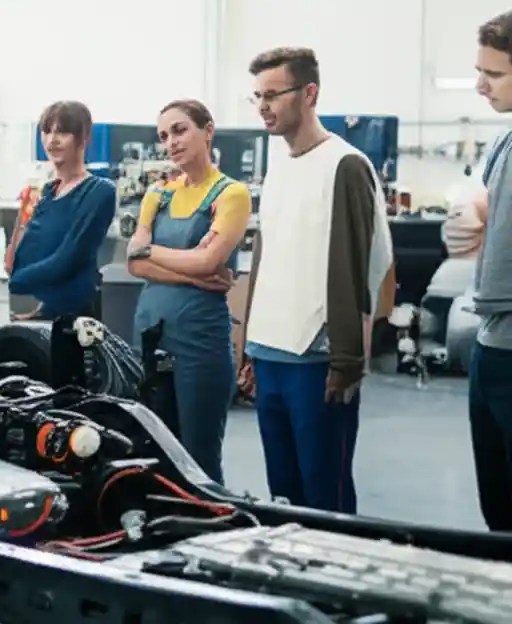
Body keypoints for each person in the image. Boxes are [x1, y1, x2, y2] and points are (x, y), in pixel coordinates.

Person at [237, 47, 393, 514]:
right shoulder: (278, 162)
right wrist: (248, 345)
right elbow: (265, 257)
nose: (263, 106)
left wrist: (347, 360)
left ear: (309, 93)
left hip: (317, 361)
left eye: (273, 94)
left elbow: (356, 266)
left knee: (327, 497)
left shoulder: (345, 165)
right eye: (257, 97)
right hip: (270, 353)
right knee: (284, 496)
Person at [127, 99, 251, 484]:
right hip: (151, 335)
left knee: (198, 458)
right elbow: (134, 265)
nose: (171, 143)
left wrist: (150, 251)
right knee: (153, 450)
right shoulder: (157, 195)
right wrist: (189, 274)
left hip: (201, 342)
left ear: (208, 130)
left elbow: (207, 262)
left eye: (180, 130)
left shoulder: (230, 194)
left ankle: (209, 535)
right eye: (164, 136)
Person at [6, 100, 117, 320]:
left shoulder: (98, 191)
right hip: (30, 308)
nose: (52, 140)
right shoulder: (47, 191)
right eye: (47, 132)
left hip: (71, 317)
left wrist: (17, 281)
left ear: (84, 138)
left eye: (62, 132)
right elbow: (19, 254)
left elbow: (68, 258)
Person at [467, 9, 512, 532]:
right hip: (491, 344)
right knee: (498, 511)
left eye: (493, 74)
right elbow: (480, 198)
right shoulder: (502, 142)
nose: (480, 86)